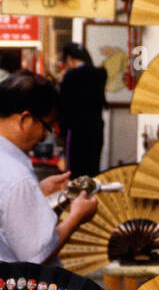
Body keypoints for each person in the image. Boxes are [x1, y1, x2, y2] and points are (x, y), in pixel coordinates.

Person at [0, 70, 98, 263]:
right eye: (48, 126)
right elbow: (37, 256)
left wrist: (38, 190)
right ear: (25, 119)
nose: (45, 136)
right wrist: (76, 217)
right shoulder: (18, 177)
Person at [56, 42, 107, 177]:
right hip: (96, 129)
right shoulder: (100, 73)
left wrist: (62, 131)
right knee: (92, 169)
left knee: (75, 171)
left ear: (69, 59)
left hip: (76, 131)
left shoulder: (70, 76)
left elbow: (63, 106)